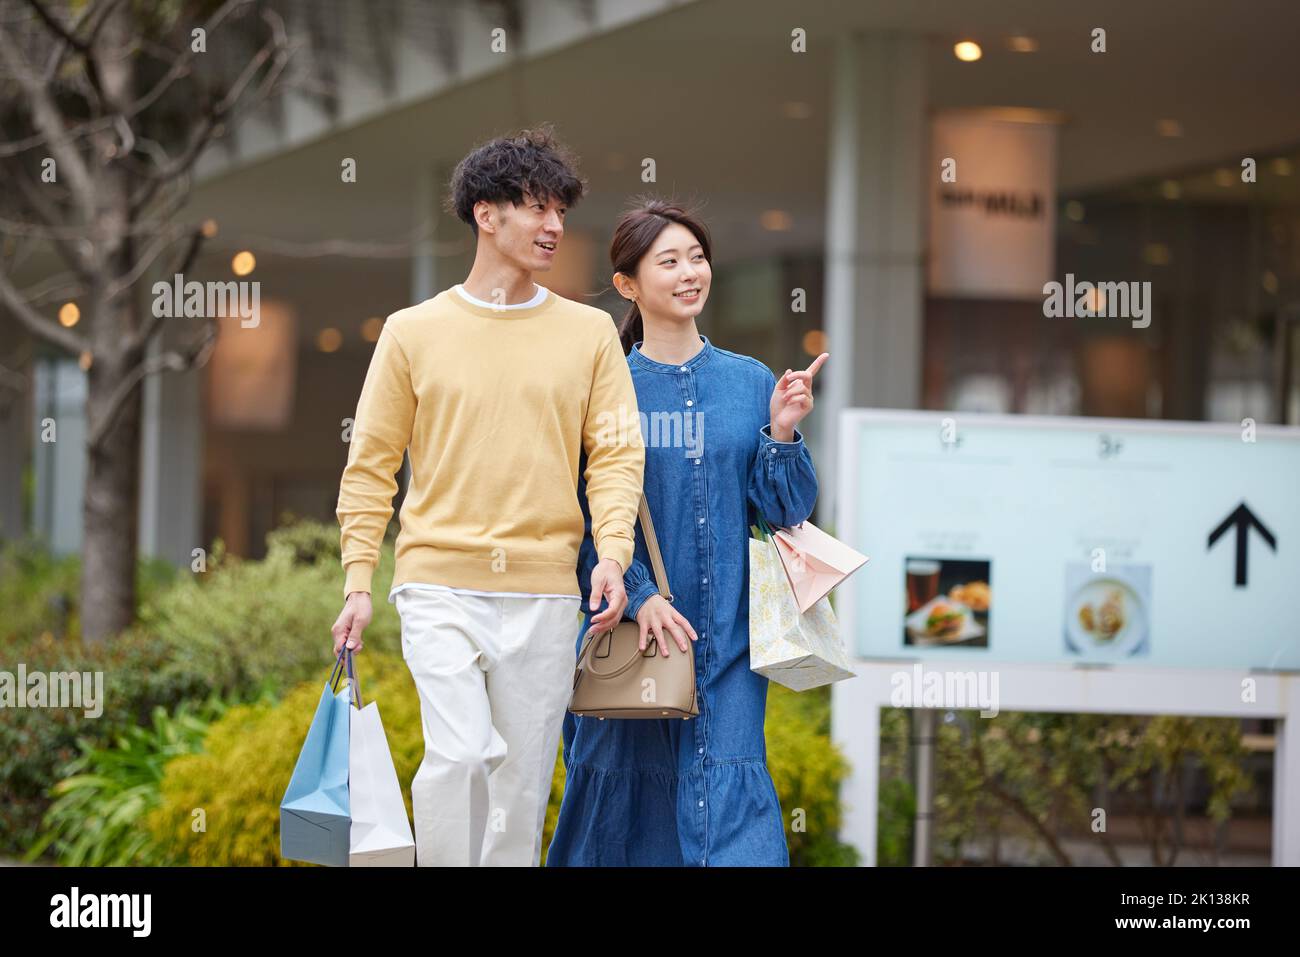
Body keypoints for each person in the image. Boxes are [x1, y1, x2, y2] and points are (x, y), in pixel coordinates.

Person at [331, 127, 645, 867]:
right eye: (535, 207)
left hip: (542, 591)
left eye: (559, 210)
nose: (553, 226)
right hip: (438, 582)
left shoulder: (590, 333)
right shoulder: (413, 332)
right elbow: (371, 465)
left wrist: (616, 552)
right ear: (485, 214)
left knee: (523, 783)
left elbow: (616, 452)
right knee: (462, 753)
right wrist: (356, 580)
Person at [547, 199, 825, 866]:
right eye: (668, 261)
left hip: (725, 643)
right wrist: (639, 592)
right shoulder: (605, 389)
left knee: (733, 820)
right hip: (628, 639)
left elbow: (786, 511)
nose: (688, 272)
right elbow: (583, 515)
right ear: (628, 284)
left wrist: (782, 429)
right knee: (623, 821)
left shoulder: (749, 381)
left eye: (696, 257)